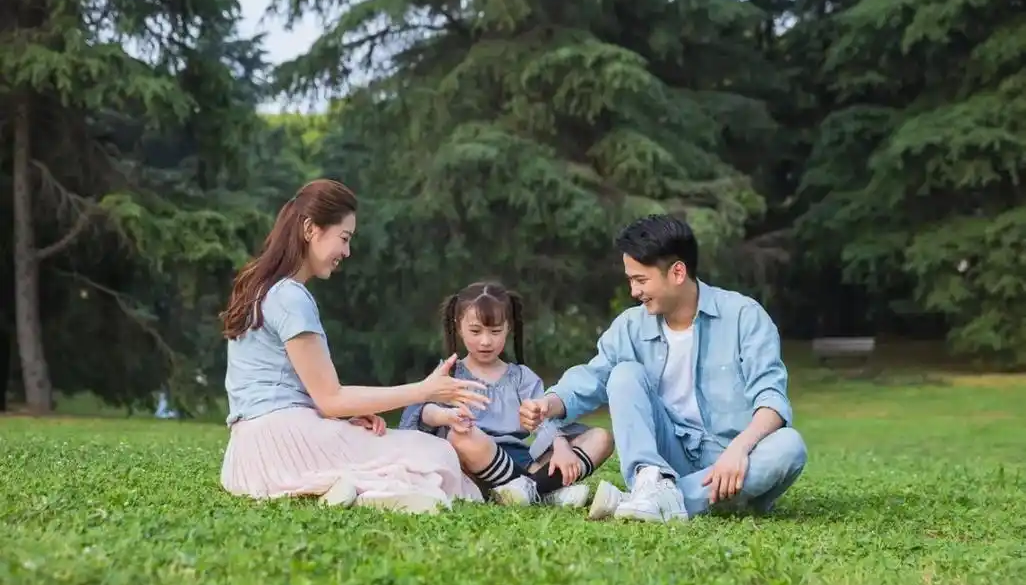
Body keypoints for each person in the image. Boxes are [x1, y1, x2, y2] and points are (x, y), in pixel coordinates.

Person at [218, 179, 490, 514]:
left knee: (401, 448)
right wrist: (425, 390)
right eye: (344, 238)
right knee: (437, 452)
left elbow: (286, 391)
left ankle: (343, 490)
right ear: (309, 229)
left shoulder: (260, 289)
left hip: (246, 460)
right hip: (286, 442)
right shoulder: (290, 296)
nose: (346, 252)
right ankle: (372, 493)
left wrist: (346, 413)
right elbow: (331, 399)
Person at [519, 215, 807, 523]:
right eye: (630, 280)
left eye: (641, 280)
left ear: (678, 272)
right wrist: (549, 404)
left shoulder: (744, 316)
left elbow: (771, 399)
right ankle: (658, 486)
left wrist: (738, 450)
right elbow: (593, 378)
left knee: (789, 446)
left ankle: (655, 499)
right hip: (666, 458)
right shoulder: (631, 326)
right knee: (624, 374)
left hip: (731, 458)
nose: (633, 291)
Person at [399, 281, 614, 509]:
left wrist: (561, 446)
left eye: (495, 331)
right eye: (475, 331)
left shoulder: (521, 377)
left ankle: (528, 489)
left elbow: (543, 420)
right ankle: (544, 490)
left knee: (601, 438)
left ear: (508, 328)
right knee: (461, 437)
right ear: (458, 327)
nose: (485, 341)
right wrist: (443, 417)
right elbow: (419, 412)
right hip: (474, 461)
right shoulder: (450, 372)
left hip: (522, 461)